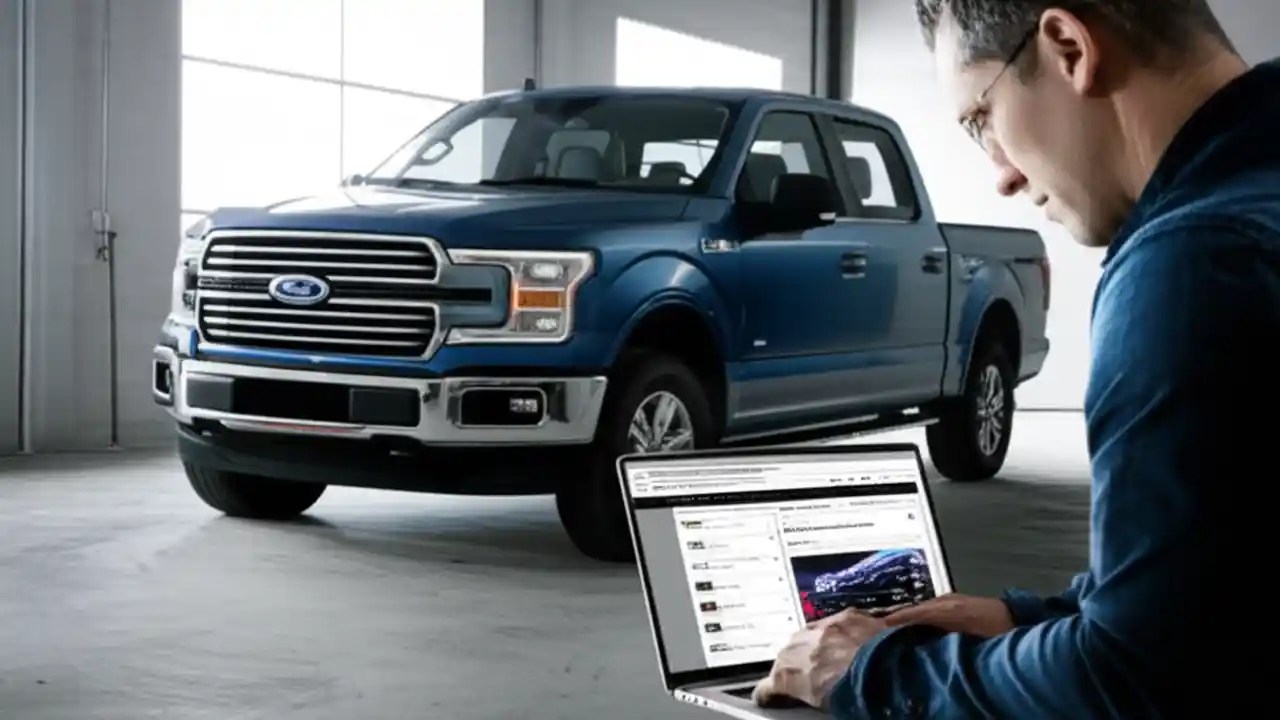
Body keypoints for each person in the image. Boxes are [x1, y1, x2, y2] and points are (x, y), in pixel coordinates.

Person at [752, 1, 1280, 717]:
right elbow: (1228, 577)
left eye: (980, 119)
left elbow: (1131, 683)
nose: (1000, 174)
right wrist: (1027, 620)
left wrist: (871, 673)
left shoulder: (1193, 264)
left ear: (1069, 47)